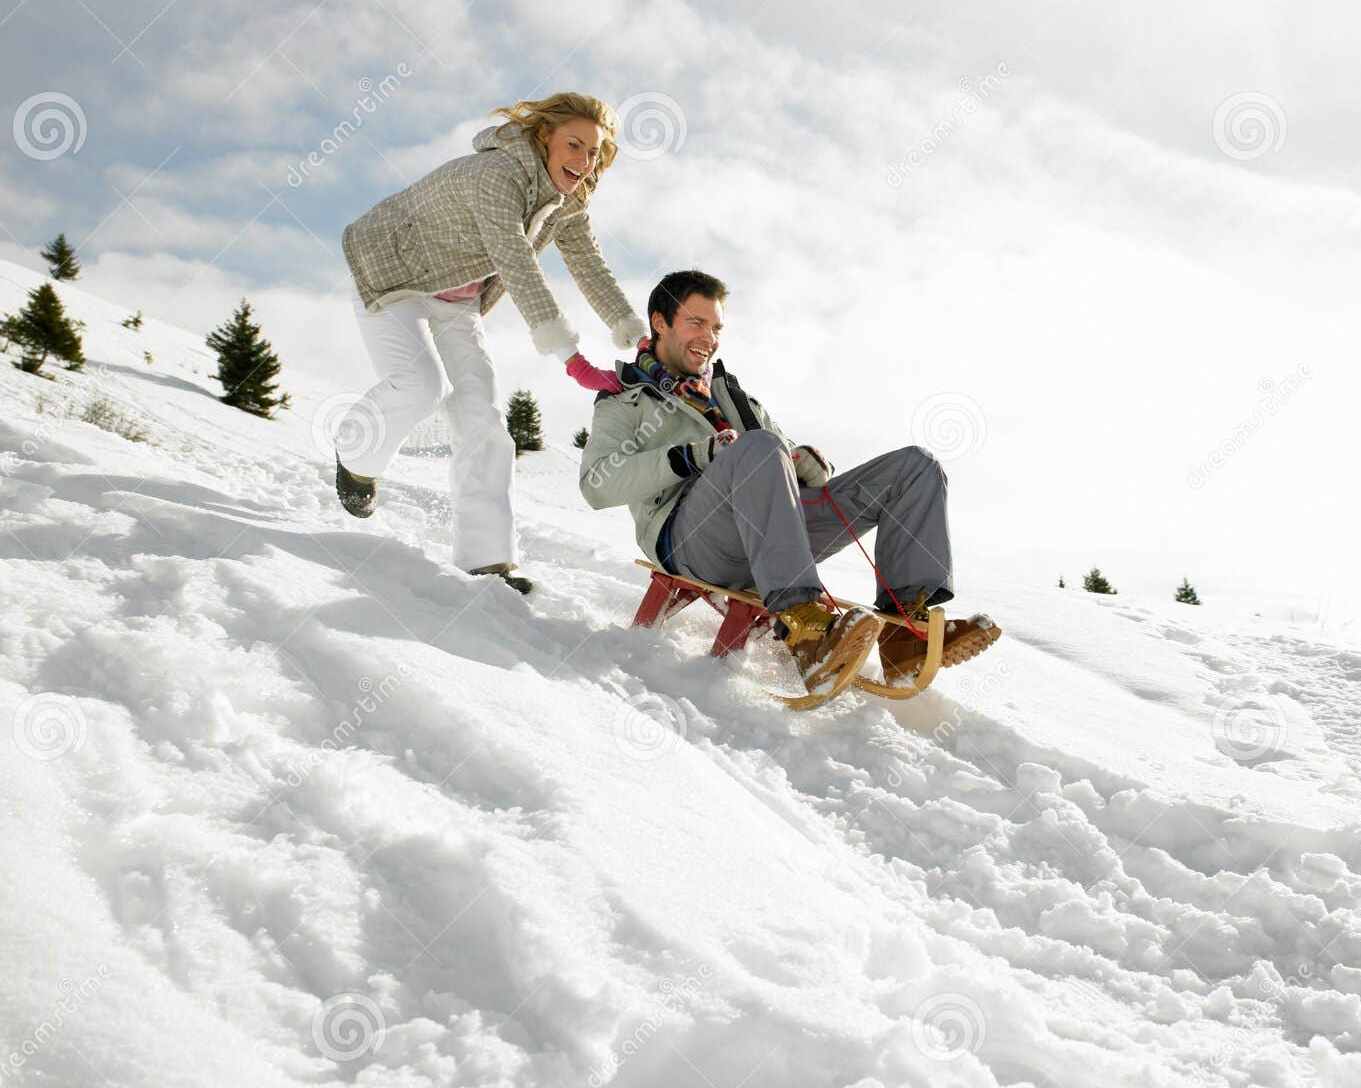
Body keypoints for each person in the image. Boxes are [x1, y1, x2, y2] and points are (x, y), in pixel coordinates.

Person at [579, 270, 1001, 694]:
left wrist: (811, 464)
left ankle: (906, 635)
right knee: (759, 446)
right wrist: (691, 456)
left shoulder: (730, 394)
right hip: (691, 540)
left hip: (772, 531)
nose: (709, 336)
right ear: (659, 322)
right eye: (696, 322)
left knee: (916, 467)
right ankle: (805, 631)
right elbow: (596, 484)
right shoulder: (625, 399)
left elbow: (781, 456)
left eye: (716, 326)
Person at [335, 92, 648, 594]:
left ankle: (487, 560)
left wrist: (636, 335)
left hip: (458, 301)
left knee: (483, 416)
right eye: (574, 145)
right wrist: (572, 358)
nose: (584, 162)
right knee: (420, 385)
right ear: (545, 136)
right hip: (392, 274)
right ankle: (356, 459)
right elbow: (516, 260)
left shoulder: (567, 201)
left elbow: (589, 265)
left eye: (594, 153)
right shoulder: (497, 176)